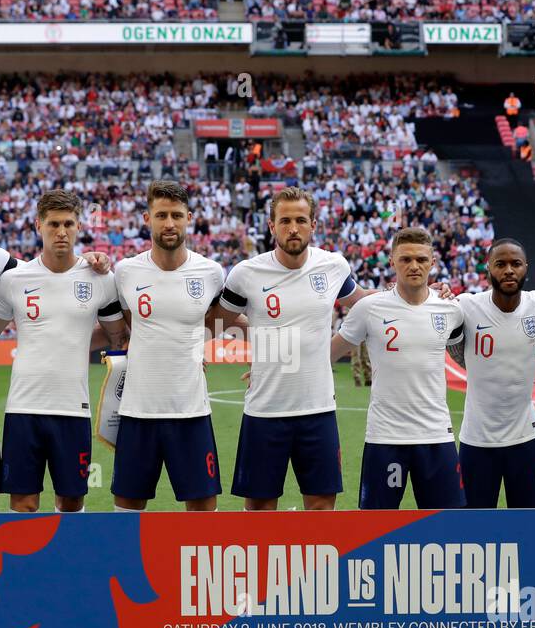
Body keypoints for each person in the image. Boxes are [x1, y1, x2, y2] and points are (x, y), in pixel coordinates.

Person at [207, 187, 363, 511]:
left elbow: (363, 302)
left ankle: (315, 565)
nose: (294, 228)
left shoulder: (333, 266)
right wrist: (268, 346)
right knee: (260, 512)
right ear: (271, 226)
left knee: (321, 509)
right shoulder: (246, 274)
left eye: (301, 220)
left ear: (314, 225)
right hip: (265, 411)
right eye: (286, 220)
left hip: (318, 409)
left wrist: (415, 292)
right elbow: (216, 321)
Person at [0, 191, 127, 512]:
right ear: (39, 225)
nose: (61, 231)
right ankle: (23, 564)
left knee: (71, 499)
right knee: (23, 501)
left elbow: (116, 336)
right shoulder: (13, 280)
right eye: (53, 224)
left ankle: (69, 563)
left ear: (79, 226)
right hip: (24, 408)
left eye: (68, 223)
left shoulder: (101, 280)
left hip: (73, 409)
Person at [110, 180, 226, 512]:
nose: (169, 223)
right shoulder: (125, 272)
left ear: (189, 218)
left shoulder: (211, 272)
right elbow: (127, 323)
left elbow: (219, 319)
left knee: (203, 509)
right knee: (127, 509)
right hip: (137, 411)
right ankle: (126, 566)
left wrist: (194, 346)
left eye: (177, 215)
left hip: (191, 411)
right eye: (161, 215)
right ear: (147, 219)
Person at [331, 227, 466, 510]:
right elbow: (326, 355)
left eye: (421, 259)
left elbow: (471, 357)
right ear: (392, 261)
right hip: (385, 437)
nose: (413, 266)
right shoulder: (369, 308)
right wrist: (274, 370)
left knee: (448, 527)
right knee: (374, 527)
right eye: (405, 259)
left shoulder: (452, 309)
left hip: (436, 435)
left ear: (433, 262)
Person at [450, 239, 535, 508]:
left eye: (515, 264)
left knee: (534, 526)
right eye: (501, 264)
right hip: (477, 439)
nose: (509, 270)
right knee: (472, 528)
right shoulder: (466, 306)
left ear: (526, 268)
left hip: (526, 438)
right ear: (488, 269)